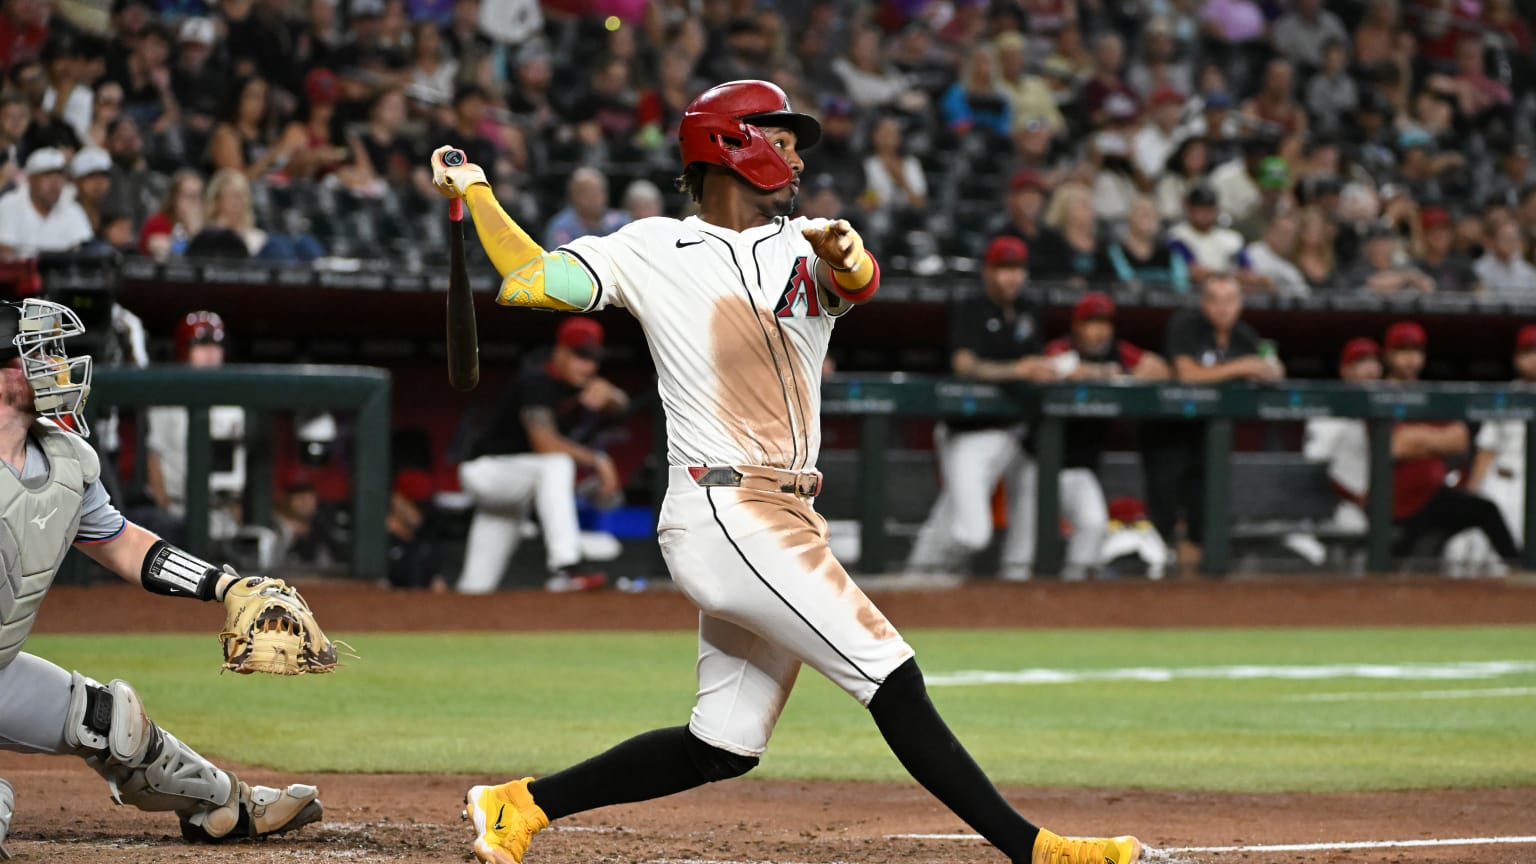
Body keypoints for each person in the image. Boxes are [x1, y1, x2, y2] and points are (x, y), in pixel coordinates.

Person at [429, 79, 1141, 864]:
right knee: (890, 673)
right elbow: (531, 279)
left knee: (722, 745)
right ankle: (1034, 850)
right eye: (783, 137)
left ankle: (518, 806)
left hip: (789, 514)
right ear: (730, 144)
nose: (796, 155)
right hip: (724, 509)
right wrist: (479, 193)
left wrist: (848, 252)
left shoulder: (806, 241)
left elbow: (856, 281)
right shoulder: (651, 247)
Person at [0, 298, 321, 859]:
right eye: (37, 353)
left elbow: (125, 545)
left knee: (109, 721)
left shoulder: (66, 461)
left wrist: (226, 587)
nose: (57, 365)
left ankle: (226, 805)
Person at [907, 236, 1057, 580]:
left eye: (1017, 269)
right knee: (972, 533)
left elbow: (1033, 359)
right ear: (988, 271)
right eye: (1004, 269)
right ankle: (925, 576)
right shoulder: (971, 306)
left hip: (1014, 431)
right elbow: (964, 363)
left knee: (951, 515)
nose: (1011, 277)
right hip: (968, 431)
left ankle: (918, 580)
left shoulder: (1028, 309)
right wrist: (1016, 370)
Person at [454, 317, 625, 595]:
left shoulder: (577, 386)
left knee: (476, 586)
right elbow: (544, 443)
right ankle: (566, 565)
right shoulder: (537, 379)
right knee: (557, 463)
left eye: (593, 358)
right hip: (486, 471)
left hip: (515, 489)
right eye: (581, 356)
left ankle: (452, 620)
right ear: (560, 351)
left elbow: (621, 403)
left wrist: (612, 395)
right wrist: (599, 460)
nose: (589, 366)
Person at [1145, 272, 1282, 572]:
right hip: (1169, 429)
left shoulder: (1244, 335)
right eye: (1215, 301)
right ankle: (1163, 573)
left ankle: (1199, 584)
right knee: (1165, 505)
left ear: (1240, 303)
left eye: (1230, 300)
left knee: (1203, 508)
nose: (1223, 308)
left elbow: (1271, 368)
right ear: (1203, 303)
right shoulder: (1185, 325)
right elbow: (1187, 374)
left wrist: (1269, 368)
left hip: (1210, 434)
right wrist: (1242, 367)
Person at [1031, 293, 1170, 579]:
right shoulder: (1062, 347)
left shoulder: (1117, 351)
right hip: (1033, 463)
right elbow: (1061, 368)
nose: (1099, 331)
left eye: (1104, 323)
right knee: (1020, 546)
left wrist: (1135, 373)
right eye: (1091, 323)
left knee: (1093, 524)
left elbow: (1159, 367)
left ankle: (1071, 591)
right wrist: (1107, 373)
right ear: (1077, 326)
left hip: (1076, 467)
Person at [1377, 321, 1522, 568]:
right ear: (1388, 355)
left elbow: (1460, 440)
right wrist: (1434, 439)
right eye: (1402, 351)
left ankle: (1520, 569)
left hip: (1432, 495)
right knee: (1391, 568)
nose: (1410, 359)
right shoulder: (1377, 392)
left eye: (1416, 351)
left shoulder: (1428, 393)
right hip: (1392, 499)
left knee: (1486, 511)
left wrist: (1416, 436)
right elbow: (1396, 446)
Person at [144, 312, 246, 542]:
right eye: (200, 345)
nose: (210, 353)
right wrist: (165, 512)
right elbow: (153, 462)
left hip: (223, 514)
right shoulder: (166, 401)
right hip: (179, 512)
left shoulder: (234, 404)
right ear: (184, 349)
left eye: (215, 345)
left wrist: (236, 512)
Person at [1450, 324, 1536, 571]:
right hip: (1501, 482)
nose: (1533, 359)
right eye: (1527, 352)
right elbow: (1486, 449)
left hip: (1529, 487)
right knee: (1479, 552)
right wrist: (1474, 491)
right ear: (1517, 359)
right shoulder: (1506, 395)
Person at [0, 147, 94, 258]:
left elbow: (87, 252)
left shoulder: (72, 209)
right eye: (47, 176)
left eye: (59, 176)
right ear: (31, 179)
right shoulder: (9, 205)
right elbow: (5, 255)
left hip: (63, 274)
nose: (55, 183)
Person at [544, 166, 628, 248]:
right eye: (587, 192)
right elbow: (559, 258)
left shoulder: (620, 222)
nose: (593, 197)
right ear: (573, 195)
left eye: (597, 191)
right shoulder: (561, 227)